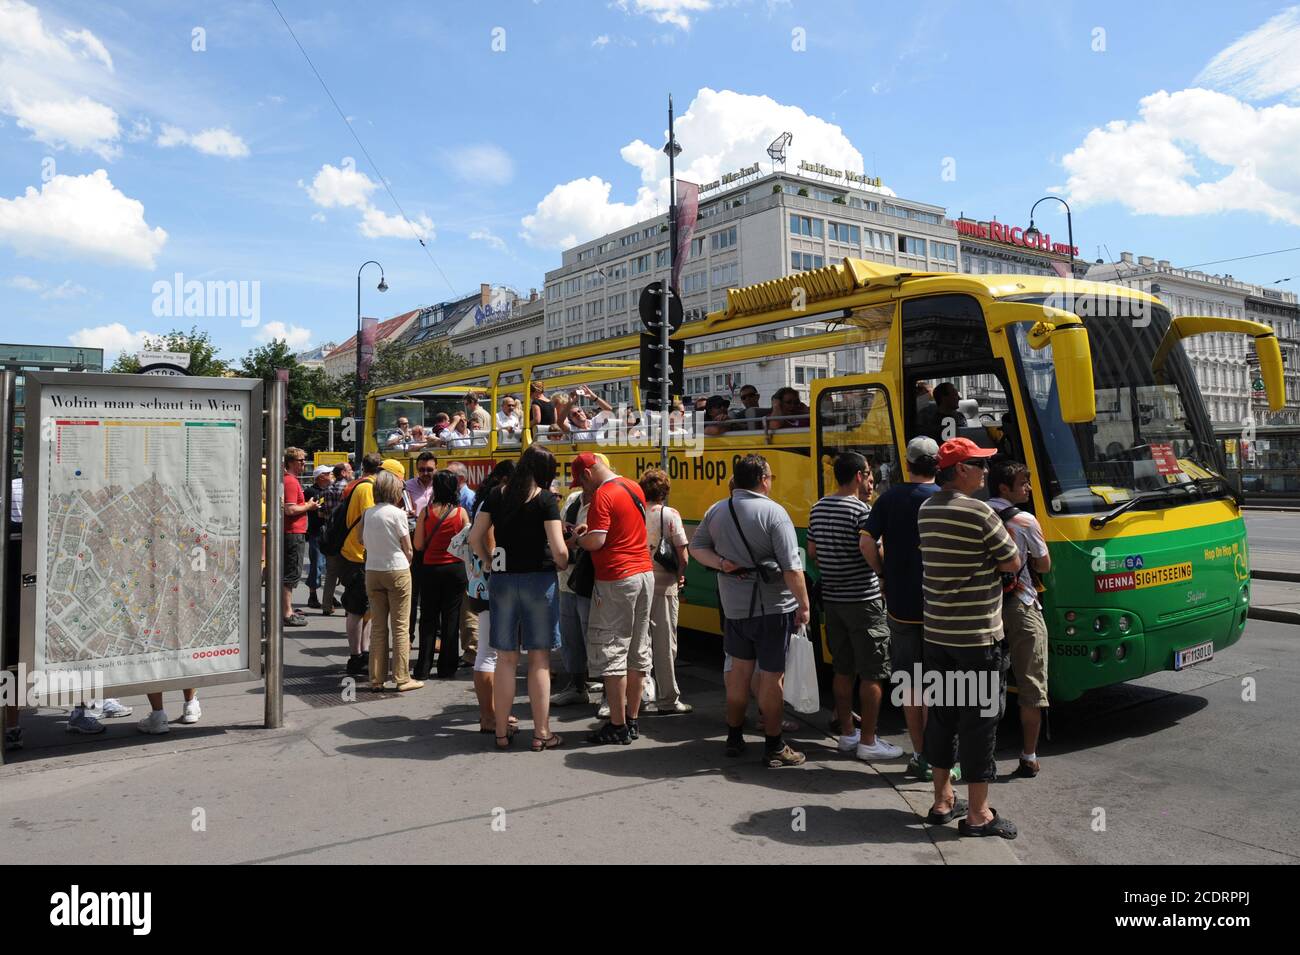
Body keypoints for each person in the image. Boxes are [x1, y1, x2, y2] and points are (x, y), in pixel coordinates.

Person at [917, 437, 1021, 839]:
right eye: (979, 464)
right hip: (977, 638)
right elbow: (1011, 560)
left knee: (943, 718)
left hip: (938, 635)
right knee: (979, 724)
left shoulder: (927, 509)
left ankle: (942, 801)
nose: (985, 472)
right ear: (960, 470)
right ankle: (978, 815)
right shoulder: (980, 512)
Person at [690, 454, 811, 767]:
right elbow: (792, 568)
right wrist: (804, 605)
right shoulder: (774, 513)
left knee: (738, 674)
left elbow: (696, 548)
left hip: (733, 607)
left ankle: (734, 737)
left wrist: (722, 564)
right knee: (772, 678)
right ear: (762, 479)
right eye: (770, 476)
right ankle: (774, 745)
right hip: (772, 608)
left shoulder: (717, 509)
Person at [470, 444, 569, 751]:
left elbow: (475, 538)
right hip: (539, 581)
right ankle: (542, 733)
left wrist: (488, 561)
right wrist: (567, 555)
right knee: (539, 658)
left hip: (502, 580)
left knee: (505, 658)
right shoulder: (544, 499)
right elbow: (559, 551)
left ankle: (501, 732)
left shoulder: (497, 495)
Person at [807, 452, 902, 762]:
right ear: (860, 475)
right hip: (863, 599)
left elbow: (813, 551)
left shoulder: (819, 507)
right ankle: (870, 740)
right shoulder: (862, 510)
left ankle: (848, 733)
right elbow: (871, 547)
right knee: (873, 673)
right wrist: (882, 572)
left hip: (833, 600)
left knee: (842, 669)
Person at [862, 436, 943, 779]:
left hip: (900, 607)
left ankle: (921, 755)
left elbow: (866, 541)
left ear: (907, 465)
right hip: (941, 608)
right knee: (945, 685)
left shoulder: (888, 499)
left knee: (913, 685)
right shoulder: (944, 498)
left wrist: (882, 571)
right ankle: (943, 758)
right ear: (937, 464)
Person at [572, 453, 655, 745]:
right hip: (644, 573)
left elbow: (598, 541)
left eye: (582, 482)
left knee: (613, 650)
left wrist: (579, 539)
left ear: (587, 474)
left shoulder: (603, 495)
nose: (585, 489)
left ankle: (617, 725)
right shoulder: (634, 487)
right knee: (638, 650)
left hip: (616, 578)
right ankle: (632, 720)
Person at [987, 457, 1051, 779]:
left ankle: (981, 753)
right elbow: (1043, 565)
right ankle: (1029, 756)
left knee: (983, 682)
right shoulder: (1025, 520)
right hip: (1021, 606)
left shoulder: (979, 514)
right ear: (1004, 487)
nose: (1027, 487)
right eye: (1023, 483)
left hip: (984, 607)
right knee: (1031, 685)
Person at [464, 461, 519, 734]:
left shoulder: (486, 499)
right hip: (490, 586)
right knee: (489, 654)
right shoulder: (493, 502)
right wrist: (492, 565)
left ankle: (494, 714)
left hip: (480, 586)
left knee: (491, 653)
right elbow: (487, 543)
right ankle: (489, 717)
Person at [362, 470, 424, 692]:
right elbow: (408, 547)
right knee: (400, 626)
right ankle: (402, 677)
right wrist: (407, 561)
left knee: (378, 626)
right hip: (396, 568)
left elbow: (363, 541)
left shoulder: (367, 513)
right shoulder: (398, 514)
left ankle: (376, 678)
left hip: (373, 571)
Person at [640, 467, 691, 715]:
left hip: (639, 583)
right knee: (665, 644)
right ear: (665, 491)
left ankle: (641, 693)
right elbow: (683, 554)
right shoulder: (670, 515)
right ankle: (668, 698)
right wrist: (680, 575)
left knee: (640, 642)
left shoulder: (637, 513)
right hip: (665, 586)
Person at [412, 470, 469, 680]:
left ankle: (423, 668)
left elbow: (418, 544)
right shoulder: (461, 513)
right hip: (455, 569)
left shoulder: (426, 513)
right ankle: (447, 667)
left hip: (430, 570)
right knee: (451, 618)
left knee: (428, 618)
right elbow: (467, 543)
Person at [551, 462, 597, 707]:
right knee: (571, 637)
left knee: (595, 635)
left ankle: (603, 686)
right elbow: (559, 530)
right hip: (567, 578)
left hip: (590, 580)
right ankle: (577, 685)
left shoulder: (603, 501)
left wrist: (578, 539)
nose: (582, 488)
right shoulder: (573, 500)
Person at [339, 453, 385, 675]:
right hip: (358, 555)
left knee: (365, 609)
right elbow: (371, 521)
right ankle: (355, 657)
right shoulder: (367, 488)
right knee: (357, 609)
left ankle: (363, 653)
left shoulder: (357, 484)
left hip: (358, 554)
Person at [404, 451, 438, 644]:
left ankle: (434, 637)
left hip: (435, 544)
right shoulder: (407, 487)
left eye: (429, 469)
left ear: (436, 468)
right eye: (422, 469)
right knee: (412, 593)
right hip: (414, 544)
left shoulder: (440, 487)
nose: (425, 473)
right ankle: (408, 636)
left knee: (433, 595)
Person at [281, 448, 317, 627]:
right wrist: (309, 506)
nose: (304, 463)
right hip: (293, 533)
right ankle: (286, 612)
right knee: (291, 574)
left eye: (304, 460)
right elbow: (290, 509)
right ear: (291, 462)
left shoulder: (290, 480)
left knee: (290, 573)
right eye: (301, 460)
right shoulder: (290, 481)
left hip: (294, 532)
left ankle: (286, 609)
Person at [319, 462, 353, 616]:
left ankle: (326, 605)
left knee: (331, 573)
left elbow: (322, 513)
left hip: (329, 535)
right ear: (344, 473)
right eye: (350, 470)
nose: (352, 472)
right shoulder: (349, 489)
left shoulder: (326, 490)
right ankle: (349, 608)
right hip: (345, 536)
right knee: (349, 572)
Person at [304, 465, 334, 608]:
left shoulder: (330, 490)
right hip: (316, 531)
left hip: (329, 532)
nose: (331, 476)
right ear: (321, 476)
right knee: (317, 564)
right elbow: (316, 511)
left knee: (332, 565)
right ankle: (312, 595)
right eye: (328, 473)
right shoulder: (311, 491)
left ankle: (329, 595)